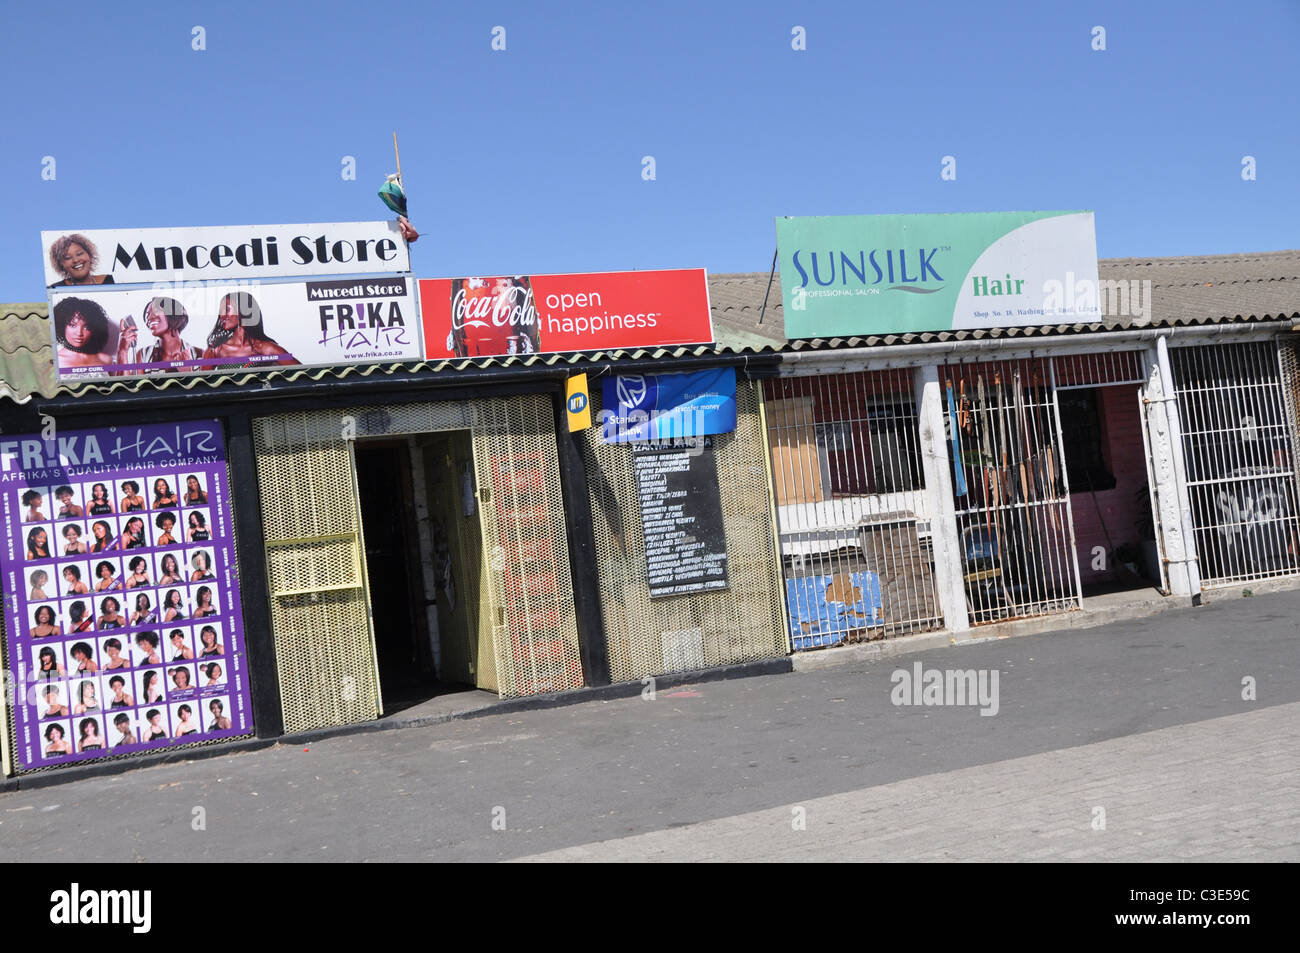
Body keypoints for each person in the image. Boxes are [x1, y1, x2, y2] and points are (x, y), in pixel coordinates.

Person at [202, 291, 295, 367]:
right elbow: (202, 385)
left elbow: (304, 374)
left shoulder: (266, 348)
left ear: (244, 310)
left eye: (227, 309)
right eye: (220, 311)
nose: (222, 316)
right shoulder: (215, 350)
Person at [115, 296, 201, 371]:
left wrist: (188, 374)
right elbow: (128, 387)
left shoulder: (198, 354)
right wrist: (122, 351)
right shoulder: (143, 355)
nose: (149, 317)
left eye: (156, 311)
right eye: (147, 314)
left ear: (173, 314)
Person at [53, 297, 115, 370]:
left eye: (86, 327)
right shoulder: (55, 361)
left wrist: (122, 351)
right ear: (61, 326)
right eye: (73, 325)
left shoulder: (106, 360)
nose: (79, 333)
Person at [48, 233, 115, 286]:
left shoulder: (110, 281)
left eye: (79, 254)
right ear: (61, 264)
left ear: (89, 254)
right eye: (68, 258)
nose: (76, 260)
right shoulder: (56, 289)